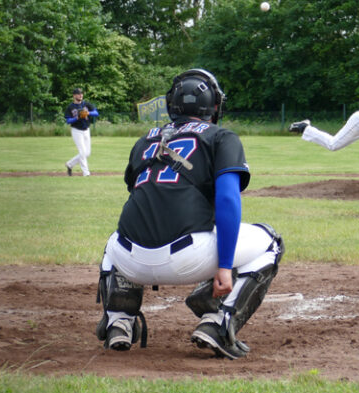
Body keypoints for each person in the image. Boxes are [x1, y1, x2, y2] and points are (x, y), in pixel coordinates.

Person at [94, 69, 284, 360]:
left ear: (171, 104)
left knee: (115, 239)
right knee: (271, 241)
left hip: (128, 259)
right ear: (214, 105)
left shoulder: (146, 139)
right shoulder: (222, 136)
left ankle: (119, 320)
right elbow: (228, 201)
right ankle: (218, 324)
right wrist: (223, 267)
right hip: (186, 259)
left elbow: (139, 193)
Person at [64, 88, 99, 176]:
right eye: (79, 94)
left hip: (86, 130)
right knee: (82, 152)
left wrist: (88, 113)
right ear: (74, 96)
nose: (81, 95)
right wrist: (77, 118)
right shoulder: (70, 107)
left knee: (87, 153)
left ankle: (70, 164)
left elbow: (96, 113)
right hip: (76, 131)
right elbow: (68, 121)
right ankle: (86, 173)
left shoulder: (86, 104)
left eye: (81, 94)